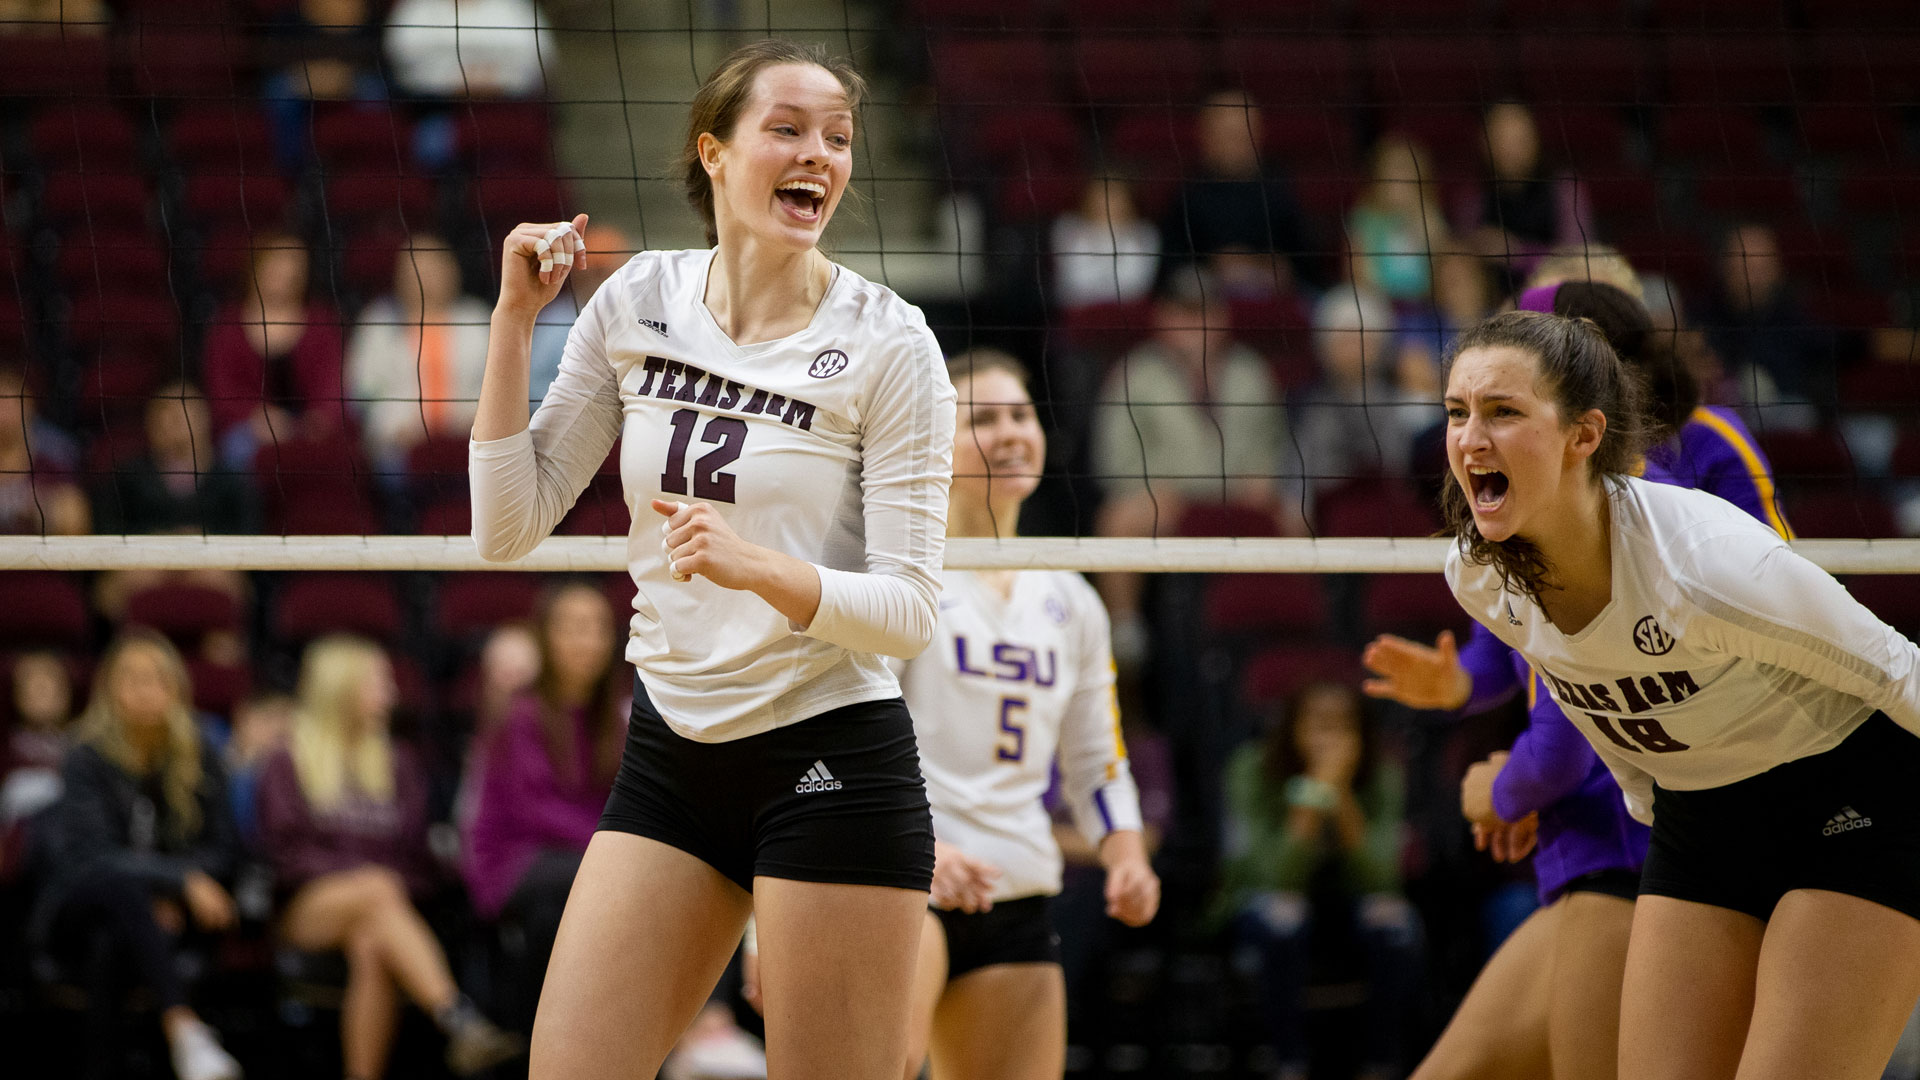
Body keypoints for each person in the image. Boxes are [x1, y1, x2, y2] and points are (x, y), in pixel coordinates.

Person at [468, 39, 957, 1080]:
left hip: (829, 759)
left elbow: (911, 609)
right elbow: (505, 528)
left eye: (839, 137)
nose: (818, 154)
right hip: (674, 757)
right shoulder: (638, 298)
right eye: (787, 128)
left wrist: (760, 569)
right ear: (715, 152)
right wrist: (515, 324)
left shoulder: (892, 341)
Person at [1437, 309, 1920, 1080]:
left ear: (1583, 436)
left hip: (1855, 803)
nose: (1470, 439)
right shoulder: (1478, 573)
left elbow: (1900, 671)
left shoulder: (1703, 566)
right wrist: (1646, 799)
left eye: (1503, 412)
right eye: (1457, 413)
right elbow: (1584, 690)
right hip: (1702, 820)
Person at [1368, 281, 1788, 1080]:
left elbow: (1769, 614)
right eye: (1466, 411)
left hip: (1648, 834)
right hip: (1591, 828)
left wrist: (1506, 789)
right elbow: (1525, 645)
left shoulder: (1684, 470)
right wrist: (1461, 689)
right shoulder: (1510, 524)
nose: (1479, 431)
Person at [896, 349, 1160, 1079]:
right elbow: (850, 741)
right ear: (930, 441)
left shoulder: (1069, 596)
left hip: (1017, 887)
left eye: (1021, 414)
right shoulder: (898, 571)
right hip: (906, 878)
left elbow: (1096, 757)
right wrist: (920, 851)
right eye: (982, 419)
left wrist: (1126, 855)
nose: (1011, 432)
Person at [256, 636, 522, 1079]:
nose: (392, 693)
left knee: (370, 943)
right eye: (377, 682)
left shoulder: (399, 761)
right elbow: (285, 855)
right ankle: (455, 1016)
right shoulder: (287, 760)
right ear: (341, 688)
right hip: (306, 906)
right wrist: (363, 879)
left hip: (383, 909)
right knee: (376, 890)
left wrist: (381, 884)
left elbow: (416, 857)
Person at [31, 631, 242, 1080]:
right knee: (119, 890)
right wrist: (178, 882)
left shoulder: (201, 751)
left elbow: (225, 849)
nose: (146, 689)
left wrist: (169, 893)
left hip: (147, 919)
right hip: (78, 905)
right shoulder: (85, 755)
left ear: (176, 687)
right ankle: (183, 1025)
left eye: (156, 678)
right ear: (110, 689)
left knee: (114, 939)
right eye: (132, 678)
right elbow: (92, 857)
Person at [1213, 680, 1419, 1080]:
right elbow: (1274, 876)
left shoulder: (1383, 773)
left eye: (1343, 726)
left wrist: (1339, 794)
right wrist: (1314, 793)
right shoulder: (1251, 768)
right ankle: (1289, 1063)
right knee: (1283, 919)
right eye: (1318, 724)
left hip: (1350, 902)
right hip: (1266, 900)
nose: (1330, 738)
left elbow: (1382, 879)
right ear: (1292, 727)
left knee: (1398, 927)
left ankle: (1381, 1062)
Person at [1091, 263, 1285, 660]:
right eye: (1183, 312)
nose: (1194, 323)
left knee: (1298, 515)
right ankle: (1125, 636)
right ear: (1163, 319)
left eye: (1205, 312)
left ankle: (1301, 636)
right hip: (1165, 499)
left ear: (1222, 318)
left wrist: (1265, 478)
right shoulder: (1135, 374)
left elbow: (1275, 443)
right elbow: (1114, 460)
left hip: (1241, 495)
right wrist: (1155, 487)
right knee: (1117, 520)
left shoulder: (1251, 373)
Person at [462, 581, 625, 1029]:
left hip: (582, 860)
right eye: (573, 628)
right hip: (514, 860)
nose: (587, 640)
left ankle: (698, 1026)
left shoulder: (616, 719)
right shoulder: (518, 716)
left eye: (597, 628)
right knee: (603, 883)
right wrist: (613, 850)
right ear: (545, 638)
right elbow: (533, 815)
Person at [346, 233, 492, 471]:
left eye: (432, 268)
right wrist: (395, 427)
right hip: (398, 446)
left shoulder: (478, 320)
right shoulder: (379, 323)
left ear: (451, 271)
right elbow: (364, 391)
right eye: (415, 268)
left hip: (470, 443)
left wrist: (473, 426)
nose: (424, 277)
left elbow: (495, 388)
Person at [201, 232, 348, 469]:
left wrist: (317, 421)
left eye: (293, 267)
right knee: (238, 452)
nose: (285, 274)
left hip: (310, 429)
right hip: (249, 429)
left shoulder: (322, 323)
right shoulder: (228, 328)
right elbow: (222, 390)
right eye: (277, 265)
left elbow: (333, 384)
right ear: (256, 268)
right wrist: (256, 418)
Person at [1161, 90, 1320, 292]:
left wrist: (1271, 265)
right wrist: (1213, 265)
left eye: (1243, 134)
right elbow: (1172, 267)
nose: (1236, 143)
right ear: (1205, 137)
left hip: (1278, 295)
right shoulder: (1186, 194)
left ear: (1259, 133)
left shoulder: (1281, 190)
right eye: (1227, 134)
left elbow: (1307, 259)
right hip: (1208, 298)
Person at [528, 220, 637, 402]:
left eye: (607, 271)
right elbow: (532, 385)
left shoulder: (645, 318)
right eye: (595, 271)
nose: (602, 281)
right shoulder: (555, 319)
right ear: (578, 273)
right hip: (566, 422)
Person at [1347, 133, 1448, 305]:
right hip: (1377, 302)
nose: (1400, 178)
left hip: (1424, 303)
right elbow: (1356, 272)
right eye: (1393, 169)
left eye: (1406, 169)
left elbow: (1441, 266)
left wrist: (1415, 213)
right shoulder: (1366, 218)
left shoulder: (1430, 216)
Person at [1050, 175, 1161, 311]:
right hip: (1077, 313)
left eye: (1116, 195)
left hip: (1128, 315)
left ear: (1128, 199)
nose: (1108, 201)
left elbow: (1136, 286)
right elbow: (1075, 283)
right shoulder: (1067, 227)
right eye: (1102, 194)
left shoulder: (1145, 233)